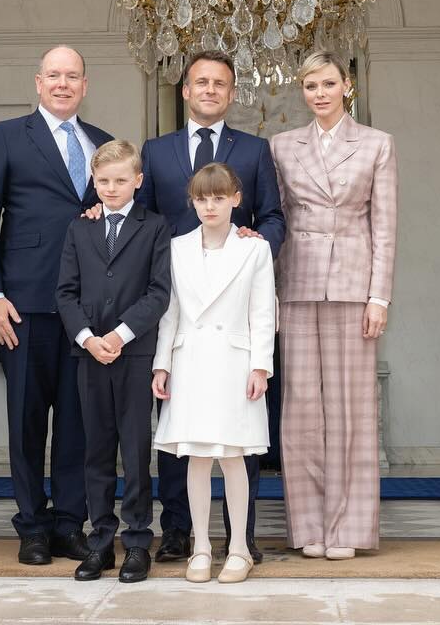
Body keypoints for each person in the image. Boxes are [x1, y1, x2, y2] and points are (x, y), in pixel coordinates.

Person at [134, 49, 285, 565]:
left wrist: (252, 240)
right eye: (201, 82)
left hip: (236, 305)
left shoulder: (255, 150)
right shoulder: (155, 152)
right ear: (185, 90)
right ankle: (178, 530)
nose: (210, 90)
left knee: (240, 441)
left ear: (232, 92)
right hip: (180, 301)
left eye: (220, 83)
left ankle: (239, 538)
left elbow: (274, 217)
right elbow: (143, 224)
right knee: (182, 434)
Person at [0, 46, 112, 565]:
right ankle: (30, 526)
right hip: (22, 305)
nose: (62, 84)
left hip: (87, 309)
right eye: (54, 75)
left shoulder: (104, 146)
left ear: (84, 85)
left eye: (72, 76)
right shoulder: (6, 136)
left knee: (78, 422)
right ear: (37, 82)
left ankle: (70, 523)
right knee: (26, 419)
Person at [269, 50, 396, 560]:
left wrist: (379, 296)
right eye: (309, 86)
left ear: (348, 86)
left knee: (352, 411)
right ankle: (309, 528)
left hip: (353, 286)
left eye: (327, 84)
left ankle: (350, 529)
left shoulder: (376, 144)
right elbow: (275, 222)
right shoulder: (281, 146)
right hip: (295, 286)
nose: (319, 93)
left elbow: (384, 227)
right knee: (300, 412)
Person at [152, 162, 277, 585]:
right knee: (197, 457)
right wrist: (162, 363)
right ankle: (201, 547)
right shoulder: (177, 247)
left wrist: (261, 365)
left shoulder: (255, 249)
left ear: (235, 199)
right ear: (193, 201)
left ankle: (239, 547)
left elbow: (263, 311)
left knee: (234, 456)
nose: (210, 206)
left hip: (235, 362)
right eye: (202, 198)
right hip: (190, 359)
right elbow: (169, 312)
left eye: (219, 197)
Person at [55, 140, 171, 583]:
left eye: (121, 180)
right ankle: (101, 541)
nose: (112, 188)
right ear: (93, 182)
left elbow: (159, 292)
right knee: (96, 450)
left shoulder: (156, 227)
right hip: (90, 356)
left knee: (136, 449)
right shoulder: (79, 229)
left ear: (138, 181)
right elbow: (65, 292)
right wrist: (88, 338)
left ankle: (138, 541)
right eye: (103, 181)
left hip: (135, 353)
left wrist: (119, 335)